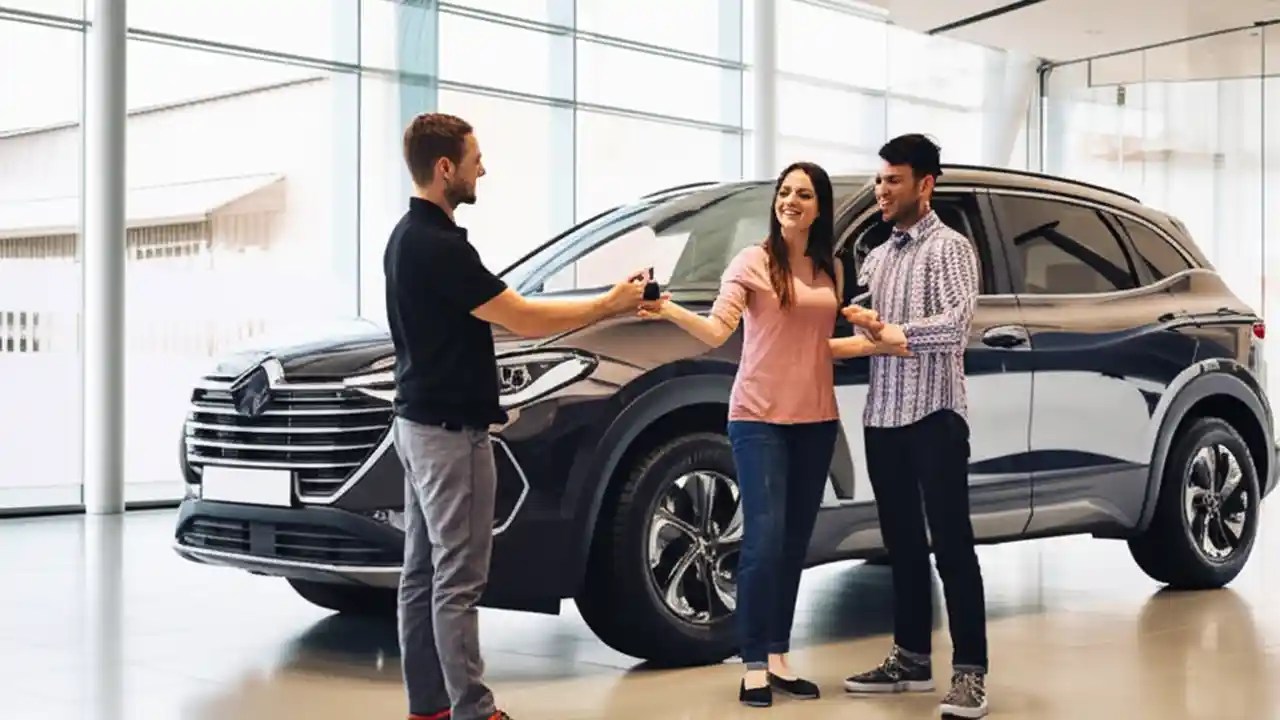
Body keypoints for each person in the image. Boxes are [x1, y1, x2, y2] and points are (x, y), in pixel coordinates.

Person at [384, 112, 647, 720]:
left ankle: (429, 708)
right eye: (475, 158)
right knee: (458, 580)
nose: (484, 169)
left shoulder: (404, 236)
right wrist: (610, 303)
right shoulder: (441, 244)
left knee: (421, 575)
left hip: (416, 427)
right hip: (451, 436)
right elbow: (521, 318)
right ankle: (474, 711)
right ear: (445, 166)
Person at [638, 161, 907, 709]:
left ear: (819, 206)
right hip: (758, 417)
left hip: (814, 420)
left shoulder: (827, 266)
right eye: (785, 192)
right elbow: (718, 329)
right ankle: (754, 662)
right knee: (763, 538)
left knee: (791, 543)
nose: (791, 201)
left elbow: (816, 345)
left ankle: (780, 656)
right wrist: (666, 308)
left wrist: (876, 343)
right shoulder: (753, 261)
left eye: (803, 194)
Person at [839, 134, 989, 719]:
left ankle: (971, 673)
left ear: (925, 185)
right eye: (879, 180)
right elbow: (867, 330)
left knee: (952, 544)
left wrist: (893, 334)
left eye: (893, 180)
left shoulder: (949, 247)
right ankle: (911, 658)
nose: (881, 190)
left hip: (935, 414)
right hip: (885, 415)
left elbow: (955, 325)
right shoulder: (879, 254)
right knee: (901, 543)